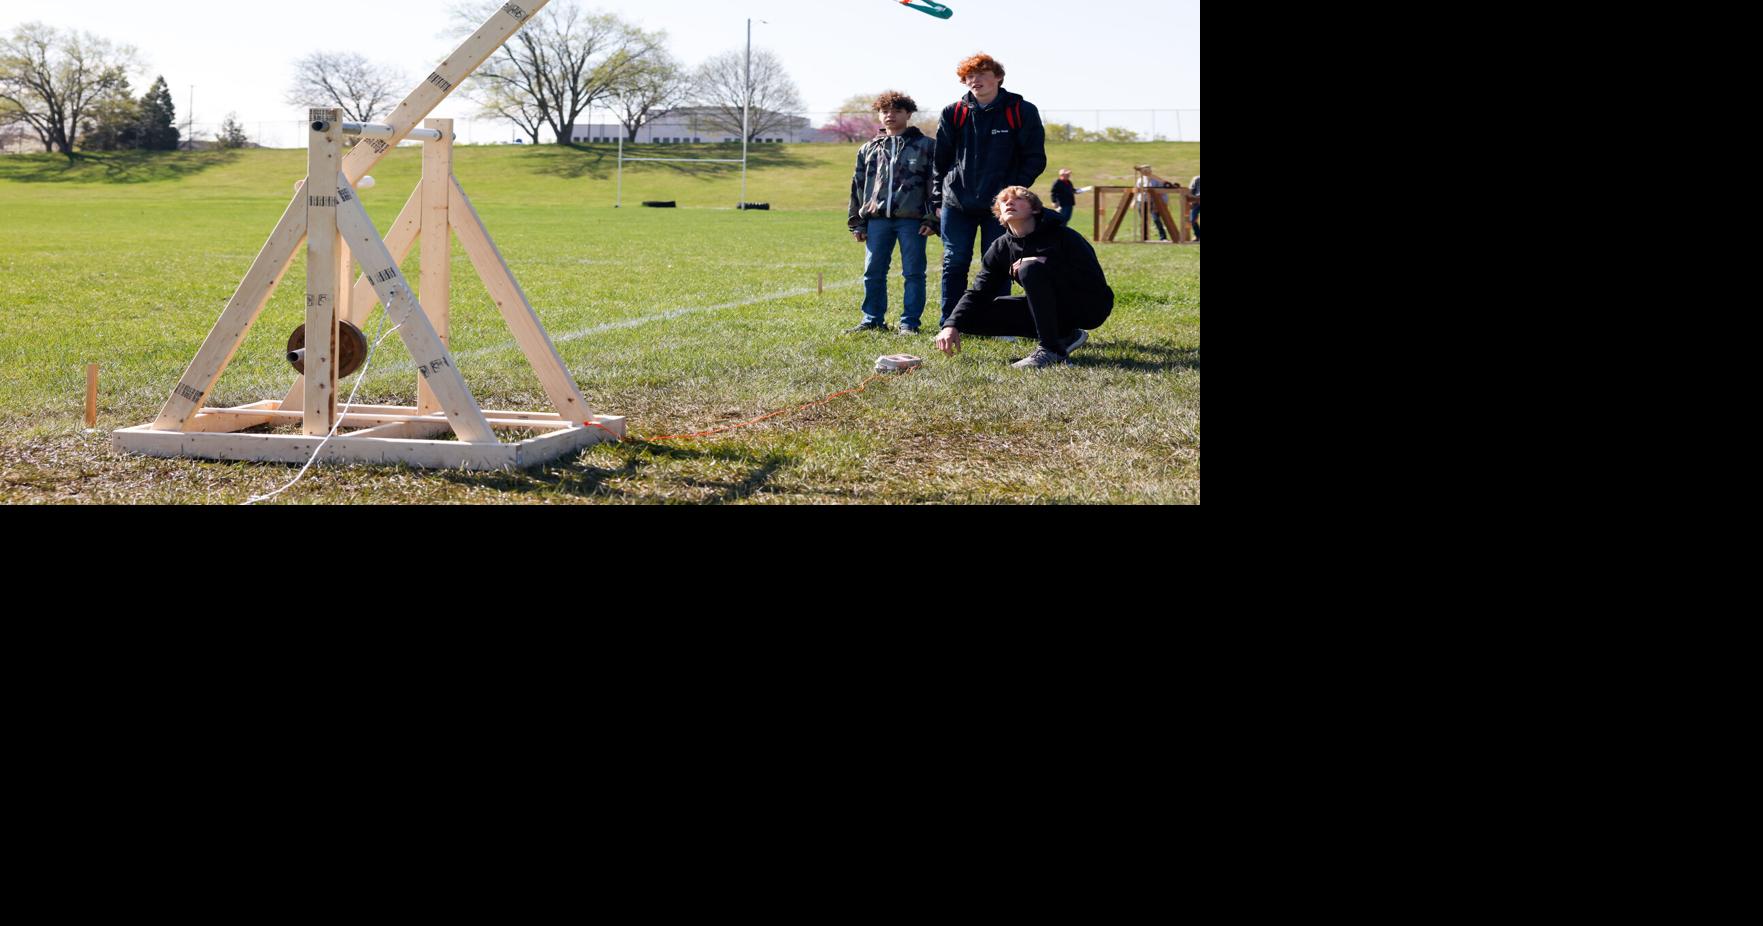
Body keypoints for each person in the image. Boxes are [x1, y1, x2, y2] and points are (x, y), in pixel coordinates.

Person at [934, 186, 1113, 370]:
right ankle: (1064, 336)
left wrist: (1046, 265)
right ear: (999, 214)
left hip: (1088, 306)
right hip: (1049, 310)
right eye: (1003, 201)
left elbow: (1093, 282)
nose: (1009, 202)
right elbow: (979, 291)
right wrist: (951, 324)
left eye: (1019, 198)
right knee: (970, 316)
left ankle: (1051, 350)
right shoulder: (1001, 247)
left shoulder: (1065, 237)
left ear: (1035, 209)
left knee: (1029, 268)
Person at [932, 53, 1046, 328]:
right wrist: (937, 197)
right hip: (957, 203)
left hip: (1000, 207)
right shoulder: (953, 112)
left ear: (998, 77)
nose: (975, 80)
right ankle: (951, 323)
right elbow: (940, 160)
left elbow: (1035, 158)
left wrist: (1011, 192)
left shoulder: (1021, 110)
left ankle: (995, 323)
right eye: (969, 76)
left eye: (982, 73)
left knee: (996, 265)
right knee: (954, 262)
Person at [846, 90, 939, 333]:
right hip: (877, 221)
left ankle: (909, 323)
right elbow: (858, 186)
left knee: (913, 273)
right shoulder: (868, 148)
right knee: (872, 272)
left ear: (908, 114)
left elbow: (936, 185)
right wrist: (857, 222)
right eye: (885, 111)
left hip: (913, 221)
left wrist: (932, 219)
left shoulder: (927, 147)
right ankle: (872, 320)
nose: (890, 115)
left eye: (897, 111)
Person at [1133, 164, 1173, 241]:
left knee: (1156, 219)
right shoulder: (1140, 180)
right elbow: (1137, 191)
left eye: (1147, 170)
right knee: (1143, 220)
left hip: (1153, 201)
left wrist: (1163, 202)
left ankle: (1163, 237)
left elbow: (1162, 192)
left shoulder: (1156, 180)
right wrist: (1134, 201)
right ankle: (1144, 238)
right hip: (1141, 201)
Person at [1188, 173, 1201, 241]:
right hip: (1196, 202)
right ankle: (1198, 235)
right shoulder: (1196, 179)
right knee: (1192, 219)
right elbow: (1190, 191)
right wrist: (1191, 201)